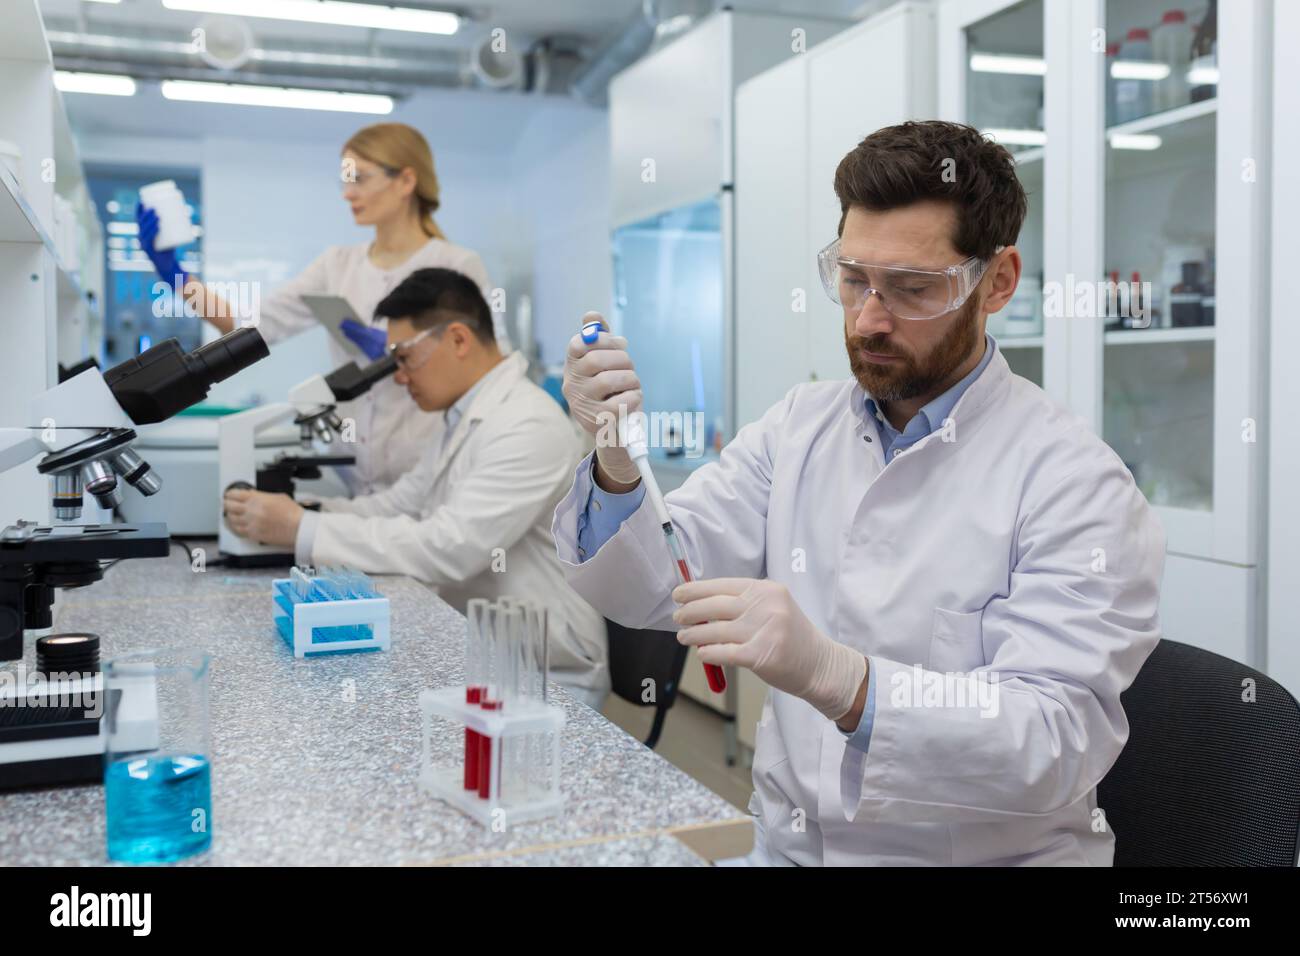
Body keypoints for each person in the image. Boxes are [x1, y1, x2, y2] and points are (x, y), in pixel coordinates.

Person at [554, 121, 1165, 865]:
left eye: (911, 288)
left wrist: (842, 680)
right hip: (787, 848)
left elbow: (1053, 740)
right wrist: (614, 456)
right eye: (852, 280)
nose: (869, 318)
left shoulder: (1076, 482)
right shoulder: (798, 426)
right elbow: (654, 589)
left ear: (998, 281)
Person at [223, 268, 609, 707]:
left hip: (544, 670)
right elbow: (403, 503)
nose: (399, 377)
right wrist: (310, 511)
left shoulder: (529, 423)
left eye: (403, 358)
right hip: (483, 648)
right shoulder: (463, 415)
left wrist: (301, 529)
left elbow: (449, 547)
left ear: (458, 340)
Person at [137, 122, 506, 496]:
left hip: (431, 472)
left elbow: (493, 364)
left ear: (405, 181)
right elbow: (245, 326)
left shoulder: (457, 264)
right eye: (344, 181)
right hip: (352, 470)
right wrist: (176, 276)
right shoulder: (337, 266)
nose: (348, 194)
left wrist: (411, 352)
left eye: (359, 179)